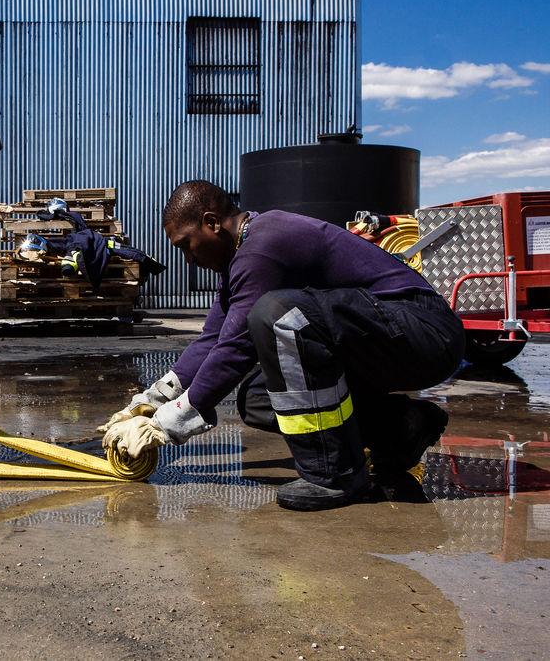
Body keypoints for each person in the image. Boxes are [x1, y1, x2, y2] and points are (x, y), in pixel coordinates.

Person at [100, 180, 464, 510]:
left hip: (424, 332)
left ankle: (336, 476)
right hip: (387, 337)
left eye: (186, 246)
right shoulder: (241, 256)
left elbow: (235, 351)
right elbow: (213, 340)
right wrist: (148, 402)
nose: (189, 259)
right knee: (259, 397)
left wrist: (164, 426)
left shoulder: (264, 247)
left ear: (212, 223)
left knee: (277, 314)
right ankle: (401, 427)